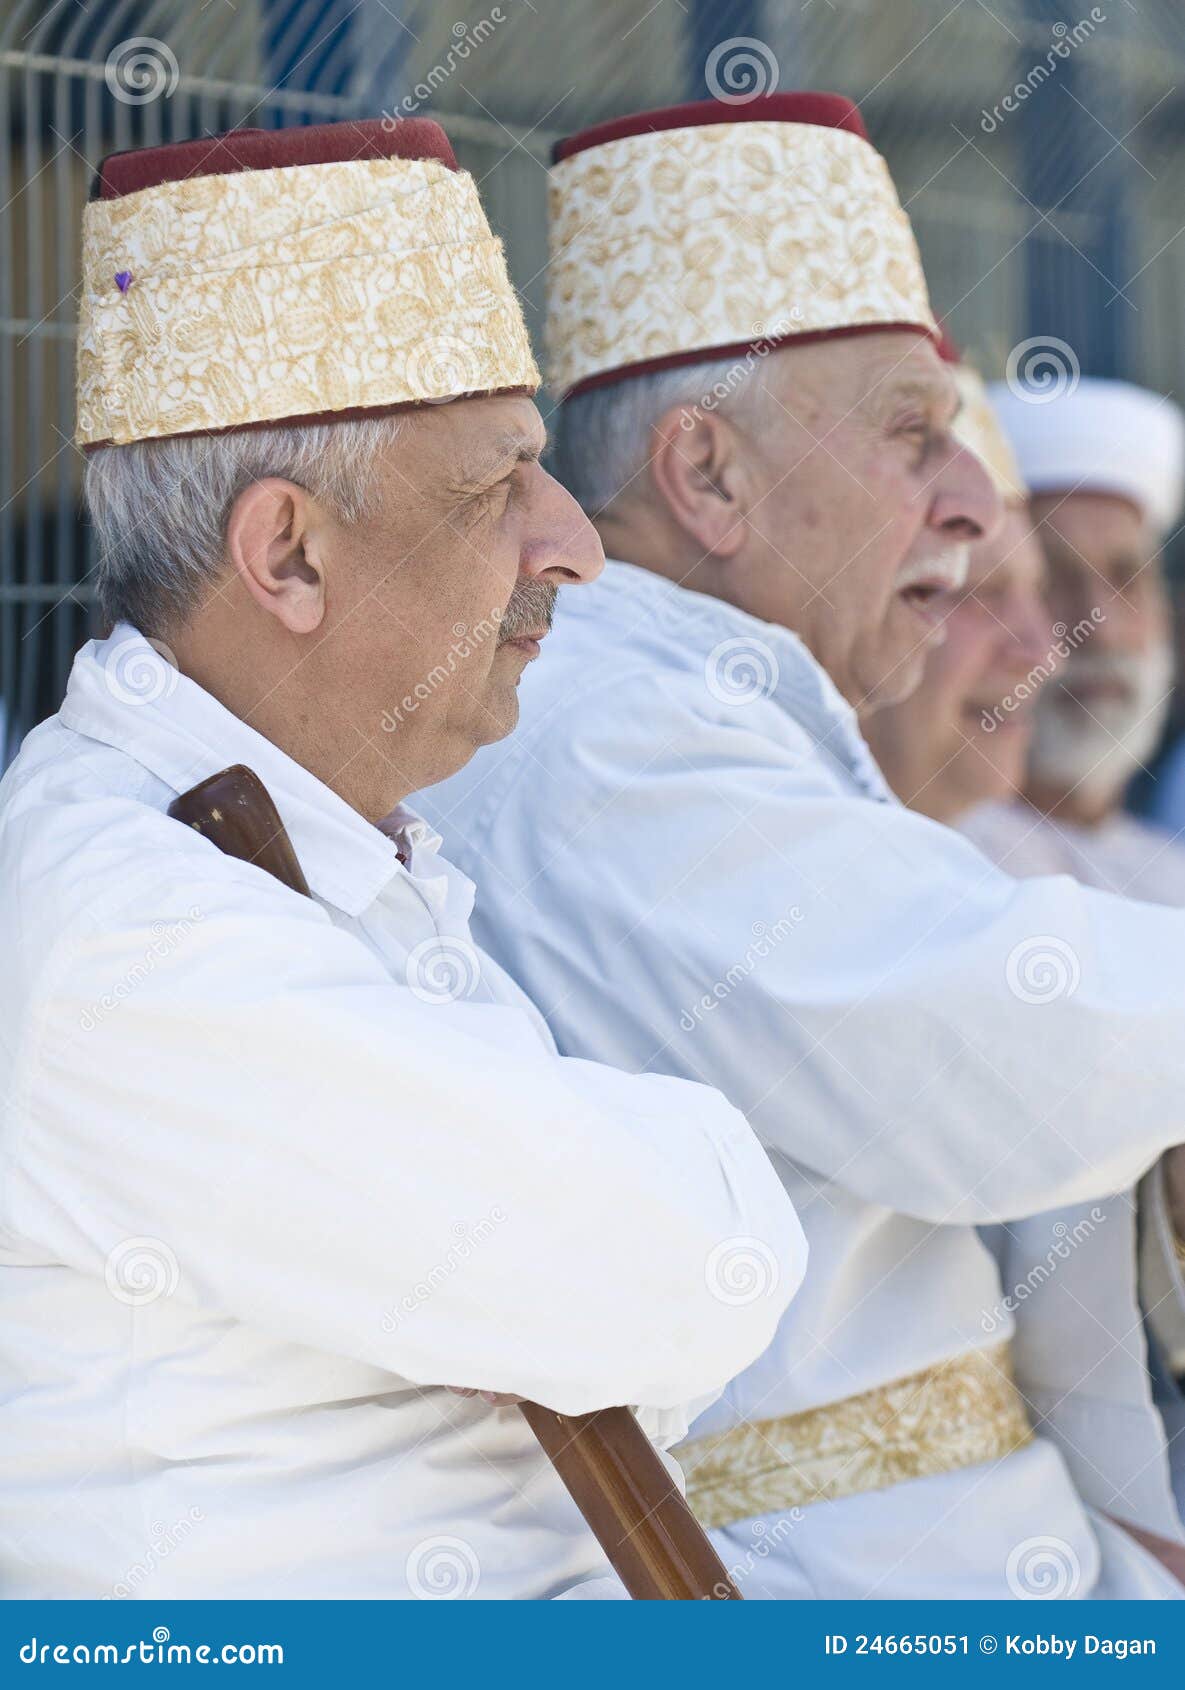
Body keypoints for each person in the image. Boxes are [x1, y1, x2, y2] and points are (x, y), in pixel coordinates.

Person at [0, 118, 807, 1601]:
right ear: (289, 555)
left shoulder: (305, 839)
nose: (573, 546)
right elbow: (689, 1272)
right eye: (499, 482)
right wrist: (676, 1186)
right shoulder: (127, 923)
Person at [420, 94, 1185, 1598]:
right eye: (915, 435)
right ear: (706, 476)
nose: (972, 501)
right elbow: (987, 1041)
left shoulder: (704, 703)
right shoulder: (599, 731)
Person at [866, 369, 1185, 1580]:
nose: (1076, 630)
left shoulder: (1155, 863)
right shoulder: (945, 860)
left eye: (1128, 577)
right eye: (1030, 582)